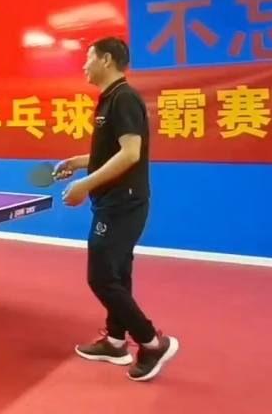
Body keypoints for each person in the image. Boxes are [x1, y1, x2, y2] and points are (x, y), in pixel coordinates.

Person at [55, 37, 178, 382]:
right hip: (115, 202)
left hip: (122, 204)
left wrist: (84, 185)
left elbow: (130, 153)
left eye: (88, 58)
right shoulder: (110, 99)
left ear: (106, 60)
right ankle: (115, 341)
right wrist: (77, 163)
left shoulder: (124, 98)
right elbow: (111, 153)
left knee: (102, 277)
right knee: (118, 274)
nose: (84, 65)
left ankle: (151, 343)